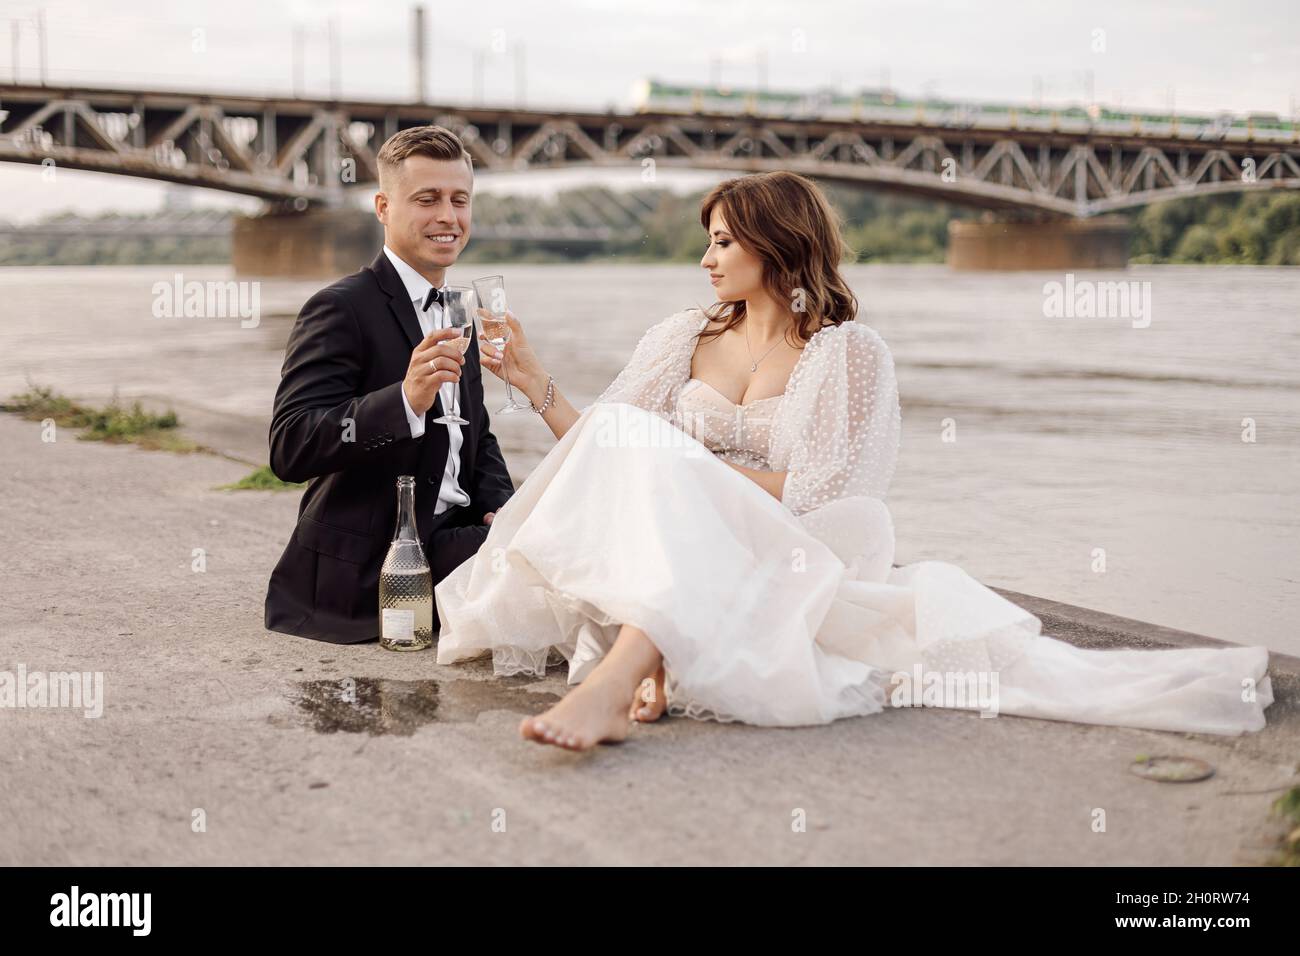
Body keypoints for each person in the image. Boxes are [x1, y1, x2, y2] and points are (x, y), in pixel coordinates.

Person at [433, 170, 1273, 750]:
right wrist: (534, 380)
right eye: (707, 243)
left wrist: (685, 472)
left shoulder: (849, 353)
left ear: (775, 242)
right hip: (695, 530)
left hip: (804, 538)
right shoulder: (679, 337)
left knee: (677, 472)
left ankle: (620, 683)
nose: (706, 259)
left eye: (724, 241)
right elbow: (607, 451)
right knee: (628, 445)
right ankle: (640, 667)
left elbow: (826, 491)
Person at [264, 126, 513, 643]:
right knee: (562, 562)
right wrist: (405, 401)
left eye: (459, 200)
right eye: (427, 199)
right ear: (383, 207)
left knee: (564, 536)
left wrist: (503, 509)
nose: (448, 216)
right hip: (378, 563)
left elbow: (477, 437)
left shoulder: (461, 307)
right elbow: (290, 446)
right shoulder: (340, 307)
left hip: (454, 535)